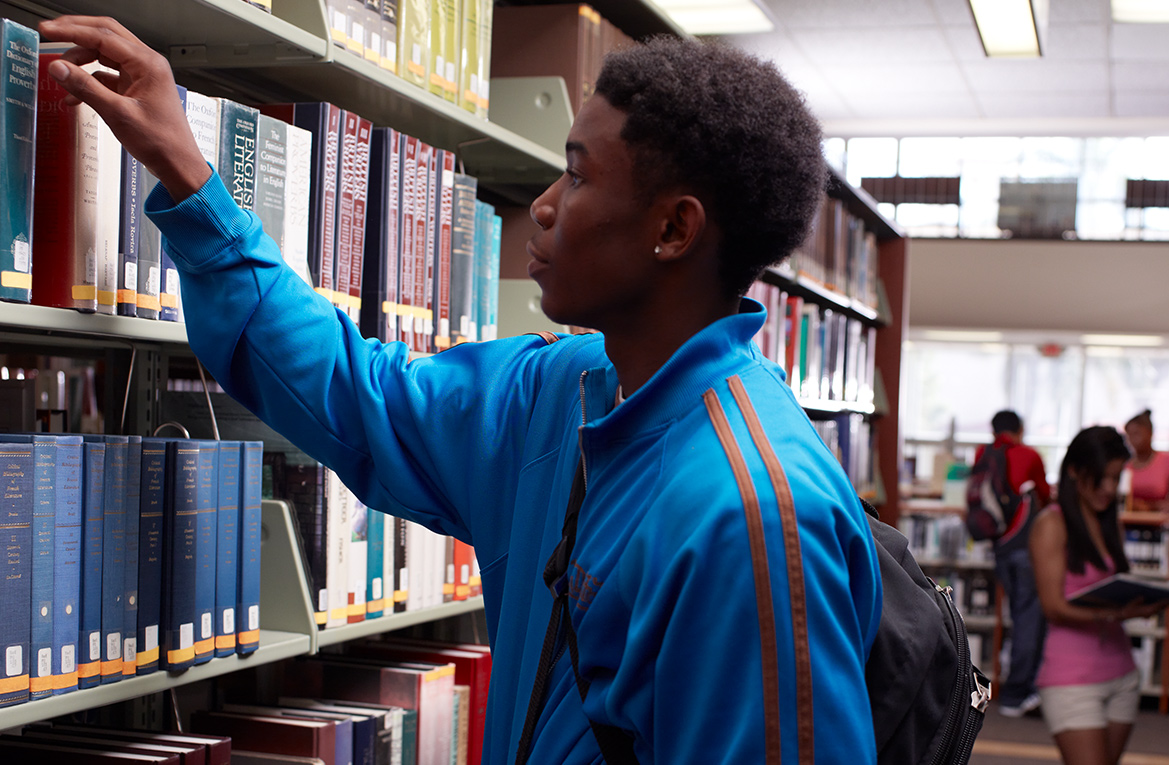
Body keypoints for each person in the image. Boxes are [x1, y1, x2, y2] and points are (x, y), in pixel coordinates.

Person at [38, 16, 882, 763]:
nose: (544, 208)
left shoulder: (753, 516)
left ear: (674, 229)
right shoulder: (560, 393)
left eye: (580, 177)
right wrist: (190, 177)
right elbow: (352, 390)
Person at [1029, 426, 1163, 765]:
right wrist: (1114, 616)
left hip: (1122, 674)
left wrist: (1141, 603)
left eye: (1116, 479)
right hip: (1072, 678)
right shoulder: (1051, 524)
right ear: (1074, 470)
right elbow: (1053, 607)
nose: (1108, 489)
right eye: (1100, 478)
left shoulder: (1109, 523)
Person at [974, 410, 1050, 717]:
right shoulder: (1029, 454)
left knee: (1015, 616)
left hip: (999, 546)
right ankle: (1018, 694)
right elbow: (1045, 494)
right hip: (1026, 546)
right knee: (1029, 618)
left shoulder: (983, 453)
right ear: (1020, 429)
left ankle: (1010, 688)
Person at [1123, 410, 1169, 517]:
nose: (1132, 440)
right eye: (1128, 435)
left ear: (1150, 433)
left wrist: (1150, 507)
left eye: (1136, 433)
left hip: (1161, 526)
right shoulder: (1125, 465)